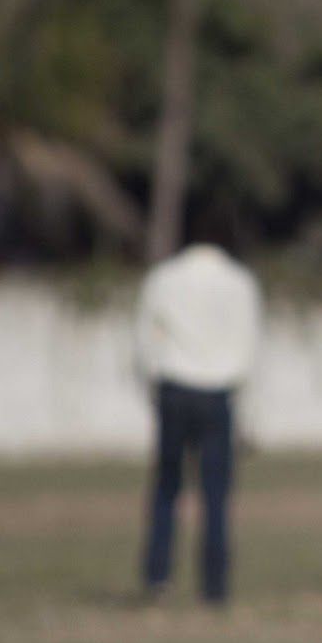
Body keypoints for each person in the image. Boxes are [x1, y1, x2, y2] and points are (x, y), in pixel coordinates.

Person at [134, 206, 264, 605]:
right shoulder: (240, 282)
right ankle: (214, 585)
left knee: (166, 488)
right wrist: (251, 416)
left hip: (174, 391)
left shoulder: (164, 278)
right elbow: (250, 349)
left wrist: (153, 391)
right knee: (215, 493)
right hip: (218, 395)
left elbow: (145, 341)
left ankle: (158, 578)